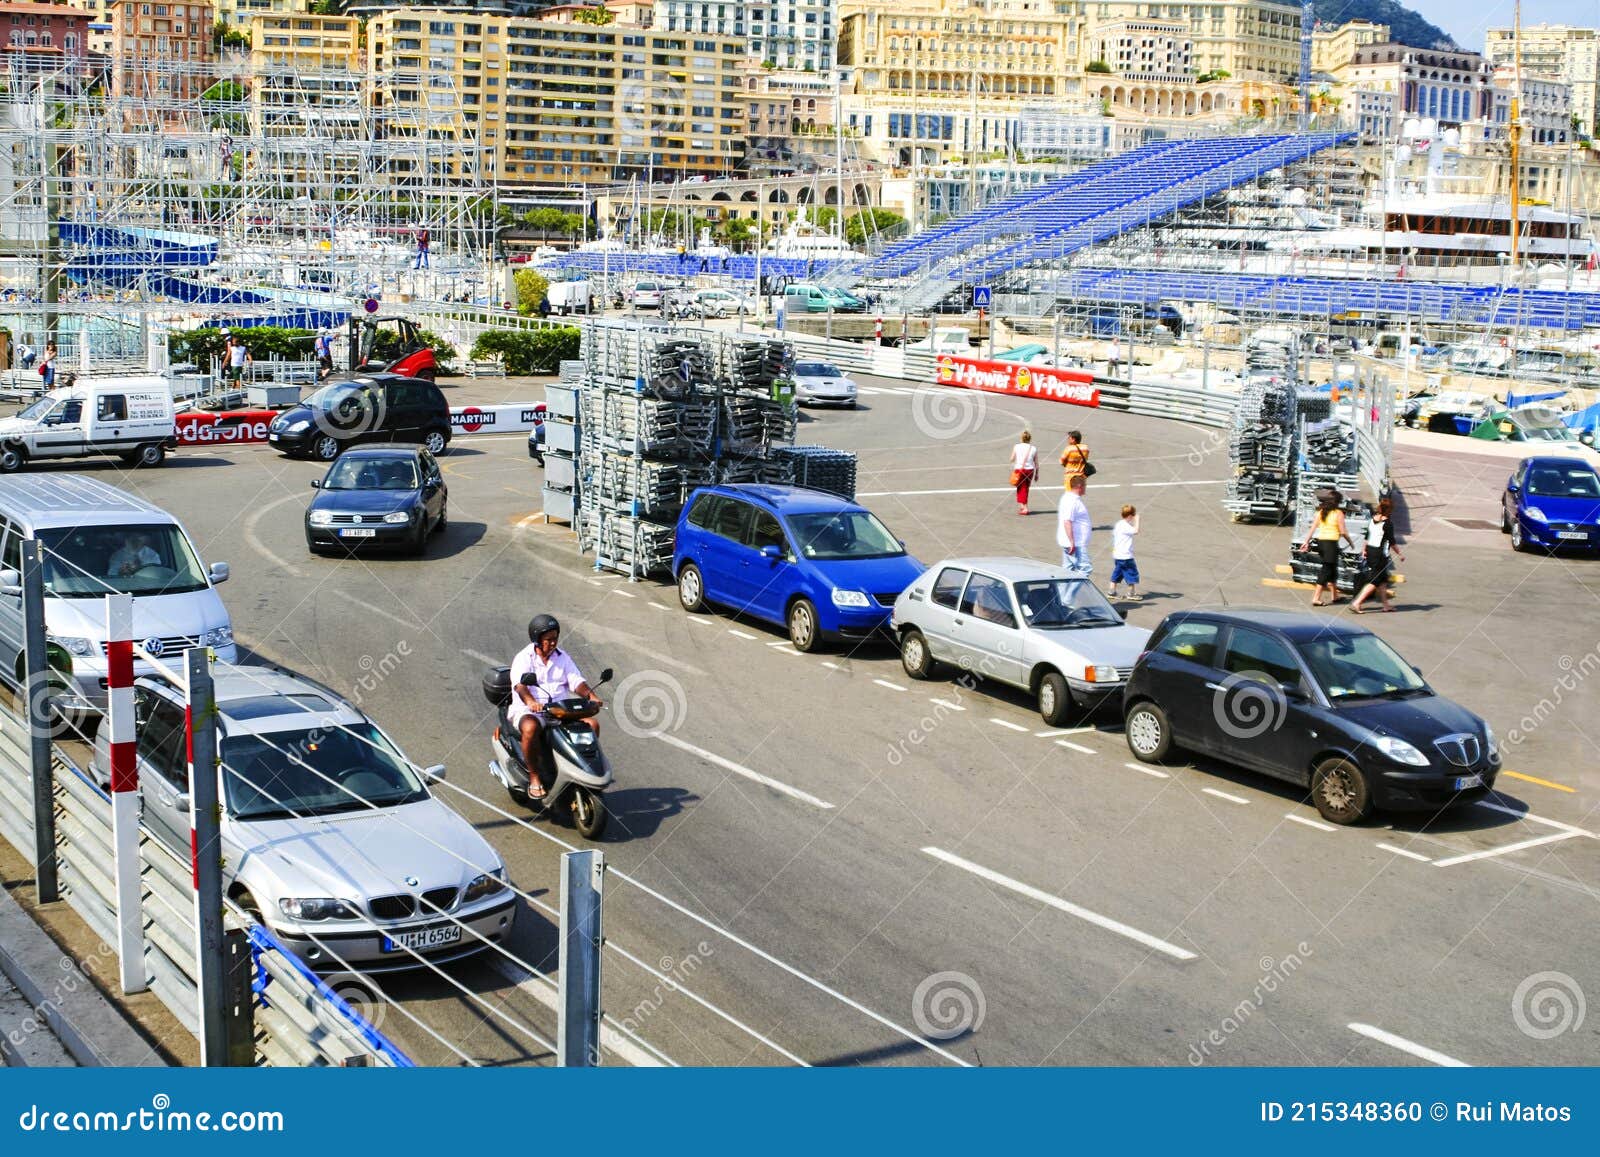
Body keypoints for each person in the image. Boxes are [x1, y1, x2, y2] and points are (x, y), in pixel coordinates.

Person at [508, 615, 601, 800]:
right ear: (537, 639)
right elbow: (520, 686)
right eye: (548, 639)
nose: (552, 643)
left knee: (592, 725)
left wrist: (591, 696)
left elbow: (576, 681)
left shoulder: (562, 657)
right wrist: (530, 702)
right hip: (531, 711)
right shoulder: (524, 658)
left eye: (555, 638)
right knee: (530, 728)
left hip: (560, 711)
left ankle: (580, 768)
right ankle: (535, 776)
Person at [1300, 490, 1354, 607]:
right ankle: (1316, 598)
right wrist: (1351, 542)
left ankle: (1335, 596)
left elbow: (1313, 528)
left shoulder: (1321, 511)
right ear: (1338, 502)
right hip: (1331, 544)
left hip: (1321, 543)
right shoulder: (1338, 513)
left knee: (1333, 569)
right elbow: (1343, 531)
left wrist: (1306, 542)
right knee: (1326, 570)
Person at [1351, 498, 1404, 614]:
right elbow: (1392, 542)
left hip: (1370, 550)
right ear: (1389, 510)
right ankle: (1357, 603)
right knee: (1375, 580)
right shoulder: (1388, 524)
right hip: (1379, 554)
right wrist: (1400, 554)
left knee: (1382, 580)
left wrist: (1364, 549)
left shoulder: (1372, 519)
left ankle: (1386, 606)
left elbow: (1367, 536)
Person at [1057, 475, 1093, 575]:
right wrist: (1072, 542)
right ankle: (1075, 586)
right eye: (1085, 485)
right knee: (1085, 569)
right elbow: (1067, 521)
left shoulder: (1067, 497)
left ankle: (1063, 586)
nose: (1086, 488)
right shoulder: (1072, 501)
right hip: (1076, 543)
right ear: (1079, 486)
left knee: (1067, 570)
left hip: (1072, 542)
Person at [1109, 505, 1141, 600]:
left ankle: (1112, 592)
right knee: (1132, 574)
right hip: (1126, 556)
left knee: (1117, 573)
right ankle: (1131, 593)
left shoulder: (1119, 524)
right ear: (1130, 515)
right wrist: (1137, 520)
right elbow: (1136, 531)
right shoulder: (1126, 526)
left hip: (1118, 555)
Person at [1009, 430, 1038, 515]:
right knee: (1025, 487)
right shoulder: (1033, 448)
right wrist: (1037, 474)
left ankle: (1025, 508)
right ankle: (1022, 506)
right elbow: (1036, 462)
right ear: (1029, 439)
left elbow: (1011, 459)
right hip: (1030, 470)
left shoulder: (1017, 446)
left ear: (1021, 438)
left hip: (1019, 470)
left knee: (1022, 488)